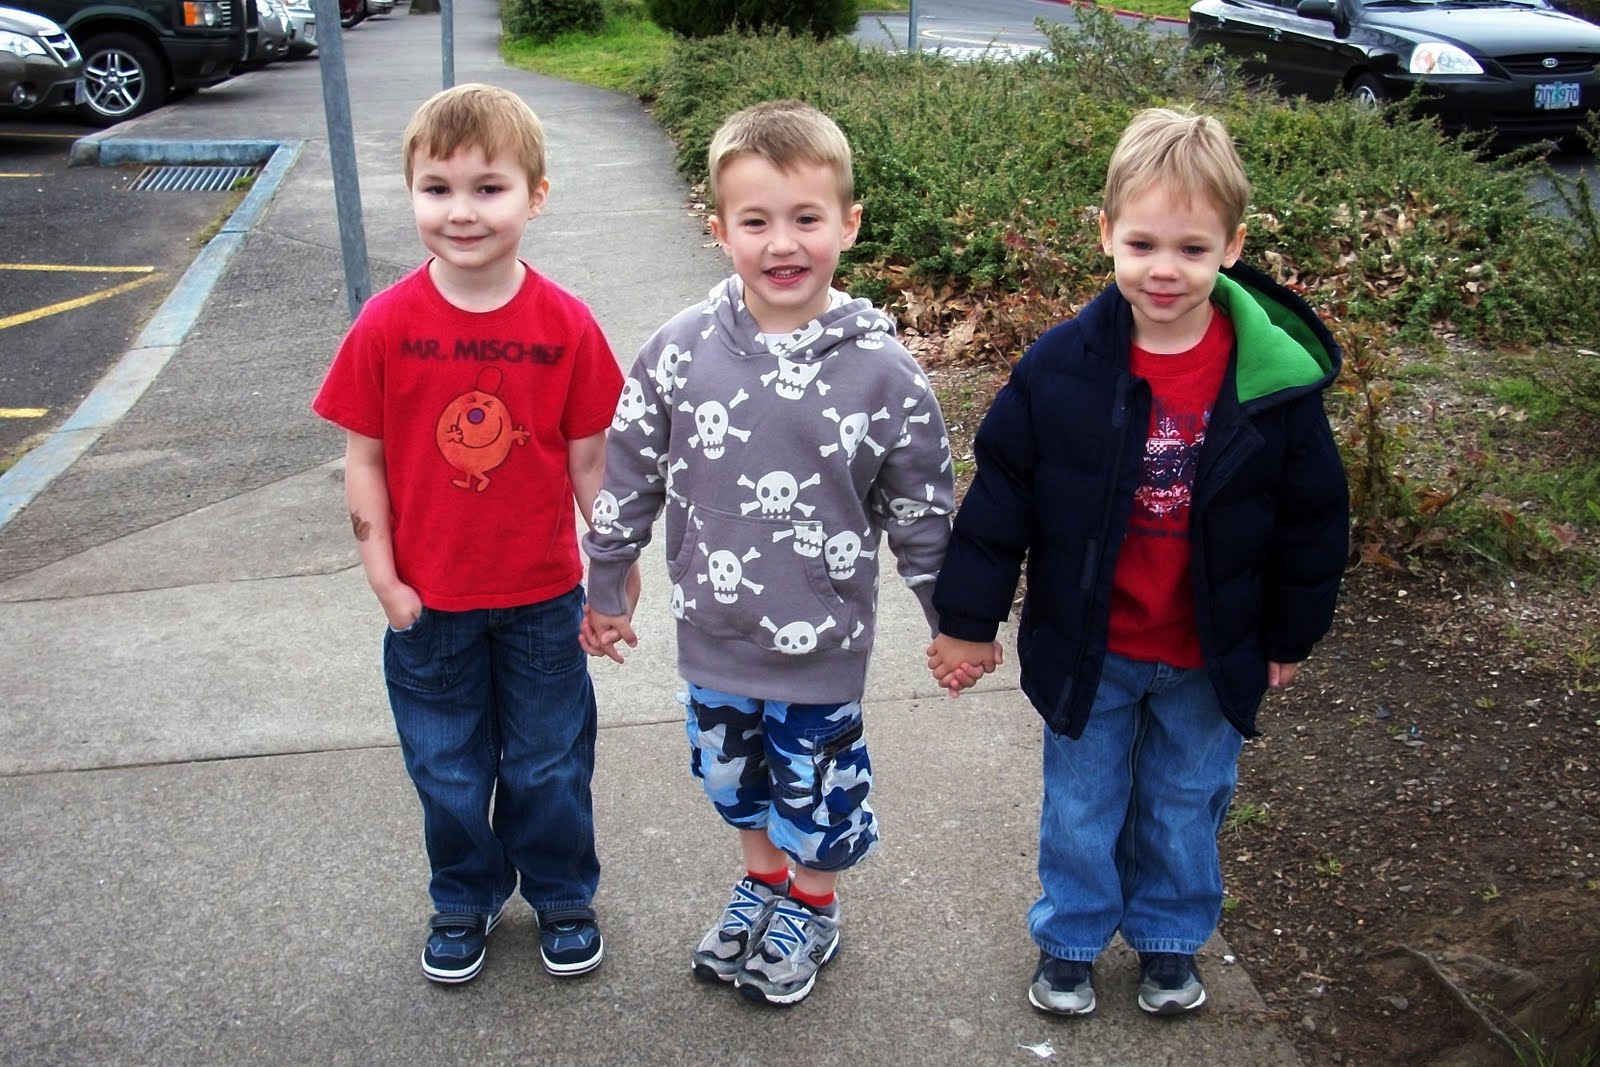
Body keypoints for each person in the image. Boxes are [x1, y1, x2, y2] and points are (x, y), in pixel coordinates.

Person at [927, 107, 1349, 1018]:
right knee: (1080, 804)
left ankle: (1168, 937)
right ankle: (1072, 938)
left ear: (1232, 247)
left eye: (1193, 248)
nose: (1166, 269)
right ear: (1106, 234)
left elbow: (1312, 518)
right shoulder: (1061, 368)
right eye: (1144, 242)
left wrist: (1289, 633)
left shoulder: (1270, 380)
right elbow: (1003, 496)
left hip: (1212, 648)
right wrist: (967, 622)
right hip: (1095, 643)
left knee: (1184, 801)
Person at [580, 99, 958, 1007]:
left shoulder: (883, 372)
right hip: (713, 632)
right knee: (732, 776)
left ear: (848, 224)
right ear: (720, 230)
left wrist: (956, 621)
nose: (782, 243)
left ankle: (813, 905)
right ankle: (764, 883)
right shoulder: (679, 351)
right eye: (756, 221)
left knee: (818, 789)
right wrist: (606, 583)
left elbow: (922, 506)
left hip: (821, 642)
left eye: (806, 218)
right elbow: (629, 469)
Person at [311, 83, 625, 986]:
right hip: (429, 601)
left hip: (542, 598)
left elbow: (590, 462)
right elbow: (362, 459)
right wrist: (382, 576)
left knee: (549, 758)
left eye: (488, 187)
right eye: (437, 187)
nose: (461, 211)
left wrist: (612, 567)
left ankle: (561, 887)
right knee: (446, 765)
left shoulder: (564, 324)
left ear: (537, 194)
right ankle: (464, 893)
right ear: (410, 193)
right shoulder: (386, 324)